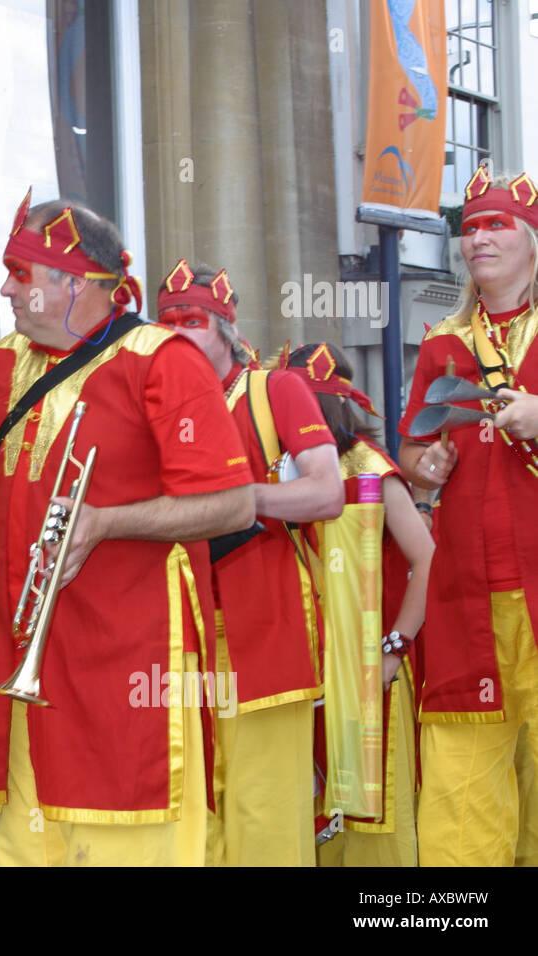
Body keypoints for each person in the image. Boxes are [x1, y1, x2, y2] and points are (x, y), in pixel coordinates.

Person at [0, 195, 255, 867]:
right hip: (33, 650)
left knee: (128, 842)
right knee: (28, 850)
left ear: (73, 283)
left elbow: (234, 505)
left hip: (129, 654)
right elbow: (2, 481)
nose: (5, 288)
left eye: (20, 273)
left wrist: (107, 521)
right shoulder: (5, 362)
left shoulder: (164, 360)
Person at [155, 257, 344, 867]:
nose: (178, 331)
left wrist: (238, 502)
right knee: (193, 810)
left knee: (264, 815)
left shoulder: (276, 388)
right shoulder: (158, 406)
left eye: (194, 319)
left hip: (265, 626)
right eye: (167, 321)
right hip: (178, 635)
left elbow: (327, 492)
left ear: (227, 328)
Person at [398, 162, 538, 866]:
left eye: (496, 225)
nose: (478, 239)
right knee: (460, 787)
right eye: (470, 227)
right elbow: (414, 451)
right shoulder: (442, 347)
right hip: (467, 598)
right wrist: (423, 467)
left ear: (532, 241)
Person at [280, 342, 432, 867]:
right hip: (300, 678)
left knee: (374, 831)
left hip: (369, 674)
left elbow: (427, 558)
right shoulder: (276, 469)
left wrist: (394, 651)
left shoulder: (368, 468)